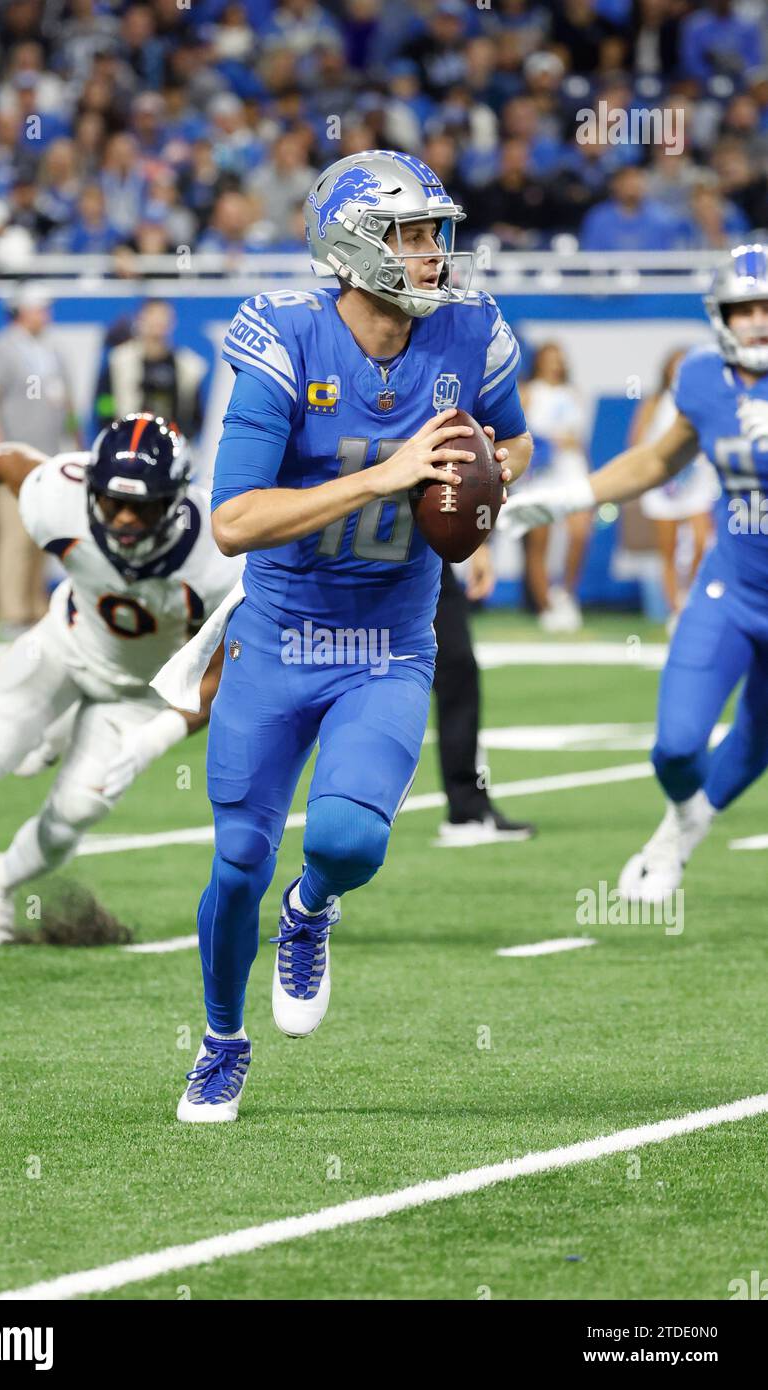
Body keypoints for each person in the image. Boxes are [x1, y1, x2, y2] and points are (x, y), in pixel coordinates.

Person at [154, 149, 532, 1122]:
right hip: (280, 633)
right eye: (410, 234)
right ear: (355, 246)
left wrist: (482, 480)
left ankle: (310, 909)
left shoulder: (470, 330)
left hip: (388, 639)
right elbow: (232, 519)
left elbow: (512, 435)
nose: (431, 253)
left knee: (347, 840)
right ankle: (219, 1040)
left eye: (433, 233)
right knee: (236, 859)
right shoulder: (283, 338)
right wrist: (387, 474)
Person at [0, 415, 240, 946]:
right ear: (90, 491)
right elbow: (12, 463)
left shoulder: (217, 559)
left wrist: (158, 736)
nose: (125, 519)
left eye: (143, 506)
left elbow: (227, 669)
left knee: (78, 808)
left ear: (175, 501)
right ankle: (57, 721)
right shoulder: (59, 496)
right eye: (112, 502)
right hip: (60, 647)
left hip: (136, 694)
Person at [498, 243, 768, 905]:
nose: (758, 320)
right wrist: (568, 497)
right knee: (674, 749)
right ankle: (682, 823)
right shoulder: (705, 377)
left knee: (755, 739)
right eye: (744, 308)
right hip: (731, 587)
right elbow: (658, 460)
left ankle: (675, 842)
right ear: (720, 316)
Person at [0, 284, 79, 635]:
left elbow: (67, 406)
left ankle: (33, 608)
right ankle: (12, 613)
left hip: (46, 460)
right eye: (39, 307)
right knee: (14, 535)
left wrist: (75, 444)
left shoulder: (50, 350)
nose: (46, 313)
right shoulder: (2, 348)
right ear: (20, 310)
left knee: (38, 535)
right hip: (15, 459)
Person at [432, 550, 536, 846]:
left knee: (457, 668)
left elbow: (448, 501)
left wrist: (477, 546)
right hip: (334, 572)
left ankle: (468, 809)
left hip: (420, 561)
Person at [630, 349, 718, 620]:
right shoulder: (654, 404)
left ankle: (691, 599)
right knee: (667, 549)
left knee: (703, 542)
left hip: (697, 482)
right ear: (666, 371)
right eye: (674, 366)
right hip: (664, 484)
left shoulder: (704, 401)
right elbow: (637, 444)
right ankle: (675, 611)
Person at [517, 342, 593, 632]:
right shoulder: (528, 392)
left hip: (572, 470)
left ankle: (565, 593)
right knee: (540, 541)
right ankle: (545, 606)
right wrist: (547, 442)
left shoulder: (573, 393)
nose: (555, 364)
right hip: (540, 473)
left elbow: (580, 438)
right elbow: (516, 432)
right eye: (549, 358)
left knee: (579, 532)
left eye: (559, 358)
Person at [95, 298, 207, 438]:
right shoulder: (119, 361)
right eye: (152, 315)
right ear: (140, 319)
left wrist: (181, 437)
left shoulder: (187, 366)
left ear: (172, 322)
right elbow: (104, 400)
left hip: (169, 444)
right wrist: (112, 428)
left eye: (163, 316)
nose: (158, 322)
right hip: (128, 440)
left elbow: (195, 413)